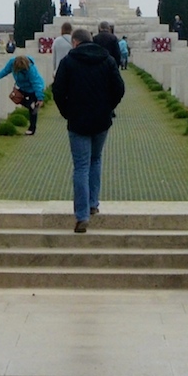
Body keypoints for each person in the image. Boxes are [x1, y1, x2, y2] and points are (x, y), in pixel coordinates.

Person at [49, 27, 125, 234]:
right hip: (101, 119)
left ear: (75, 42)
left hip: (78, 120)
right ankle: (93, 203)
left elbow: (58, 90)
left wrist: (67, 111)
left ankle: (82, 216)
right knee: (96, 159)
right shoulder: (107, 60)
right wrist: (108, 107)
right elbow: (119, 88)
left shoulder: (69, 62)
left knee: (81, 166)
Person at [0, 51, 47, 134]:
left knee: (33, 110)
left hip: (33, 88)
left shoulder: (31, 69)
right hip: (22, 87)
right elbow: (5, 71)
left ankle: (32, 129)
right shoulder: (12, 63)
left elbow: (36, 83)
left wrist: (40, 98)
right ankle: (30, 104)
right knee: (14, 97)